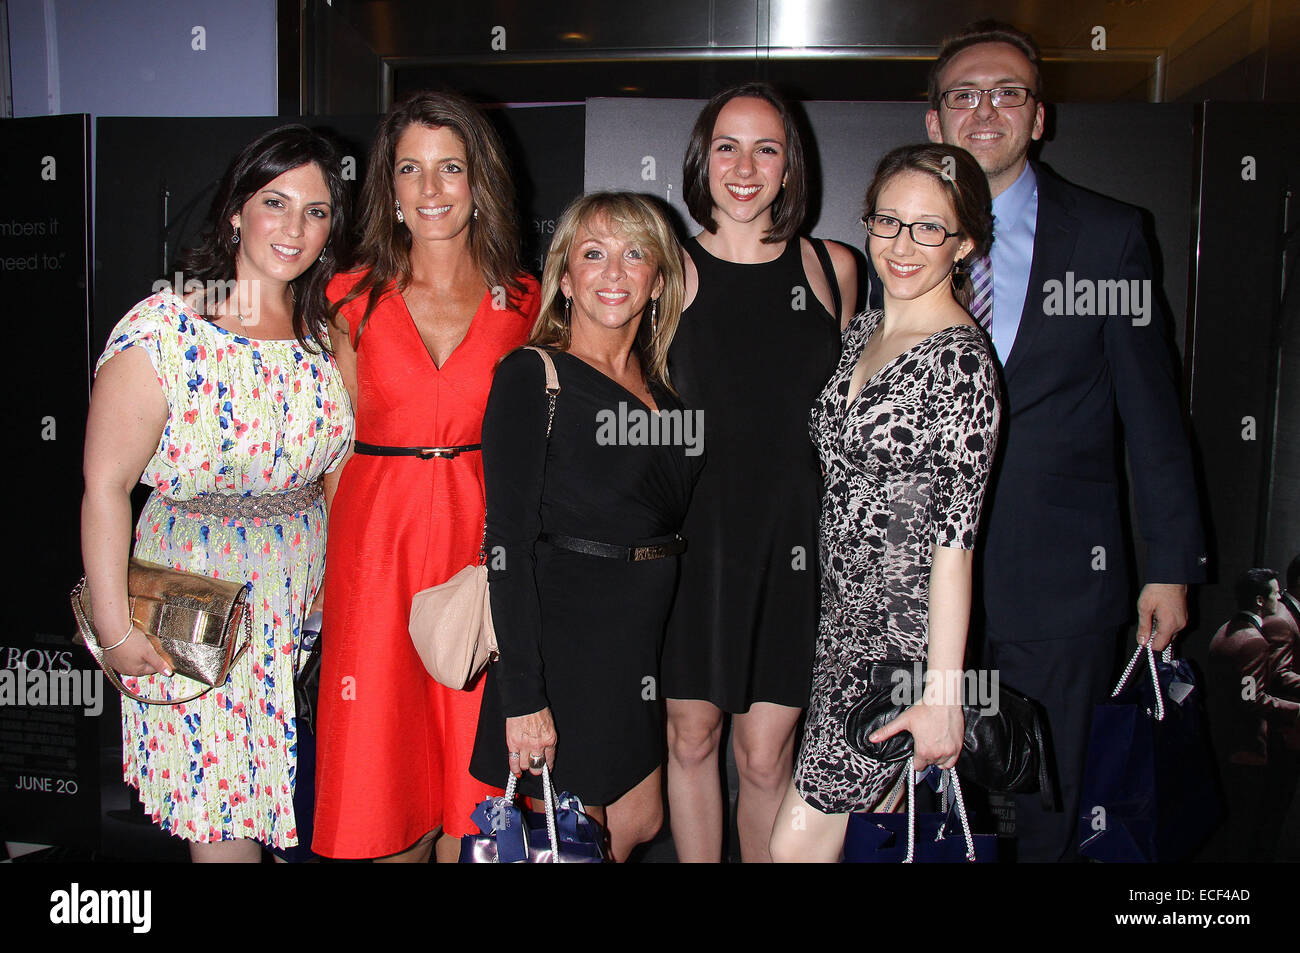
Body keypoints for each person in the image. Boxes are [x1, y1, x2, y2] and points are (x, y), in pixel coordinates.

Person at [924, 20, 1206, 861]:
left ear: (1038, 117)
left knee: (1052, 805)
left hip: (1063, 583)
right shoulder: (899, 238)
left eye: (1008, 93)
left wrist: (1170, 563)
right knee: (946, 804)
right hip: (927, 590)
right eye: (964, 95)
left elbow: (1153, 413)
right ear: (934, 120)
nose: (986, 111)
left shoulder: (1108, 235)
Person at [80, 124, 353, 862]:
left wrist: (325, 588)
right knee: (223, 826)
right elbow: (104, 485)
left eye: (317, 210)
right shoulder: (167, 328)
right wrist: (112, 627)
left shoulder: (326, 338)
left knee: (272, 807)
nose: (295, 227)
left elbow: (336, 471)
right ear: (236, 208)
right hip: (196, 605)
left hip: (292, 610)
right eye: (275, 201)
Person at [312, 91, 540, 863]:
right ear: (390, 186)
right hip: (376, 549)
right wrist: (327, 575)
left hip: (484, 547)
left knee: (474, 790)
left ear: (480, 182)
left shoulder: (527, 301)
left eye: (451, 167)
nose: (432, 187)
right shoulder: (347, 296)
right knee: (382, 769)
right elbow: (336, 447)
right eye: (411, 169)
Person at [768, 143, 1000, 861]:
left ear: (964, 243)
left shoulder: (961, 361)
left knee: (794, 849)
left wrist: (941, 695)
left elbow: (954, 546)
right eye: (888, 221)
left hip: (898, 644)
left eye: (930, 228)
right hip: (839, 629)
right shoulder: (866, 329)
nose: (903, 244)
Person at [468, 191, 701, 862]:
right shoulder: (533, 374)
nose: (614, 273)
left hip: (636, 650)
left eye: (636, 255)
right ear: (564, 278)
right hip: (564, 639)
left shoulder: (663, 389)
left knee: (636, 821)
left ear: (660, 279)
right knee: (577, 838)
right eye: (592, 254)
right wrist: (524, 698)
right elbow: (505, 546)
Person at [662, 82, 858, 863]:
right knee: (691, 738)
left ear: (790, 165)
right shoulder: (665, 268)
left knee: (767, 756)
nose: (745, 167)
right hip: (692, 544)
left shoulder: (833, 267)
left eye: (766, 148)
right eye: (726, 147)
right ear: (701, 161)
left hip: (794, 546)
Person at [1208, 569, 1300, 860]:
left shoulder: (1225, 630)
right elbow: (1252, 698)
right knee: (1250, 824)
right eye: (1275, 593)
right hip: (1247, 747)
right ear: (1261, 600)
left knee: (1237, 824)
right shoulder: (1254, 641)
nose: (1280, 597)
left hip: (1225, 739)